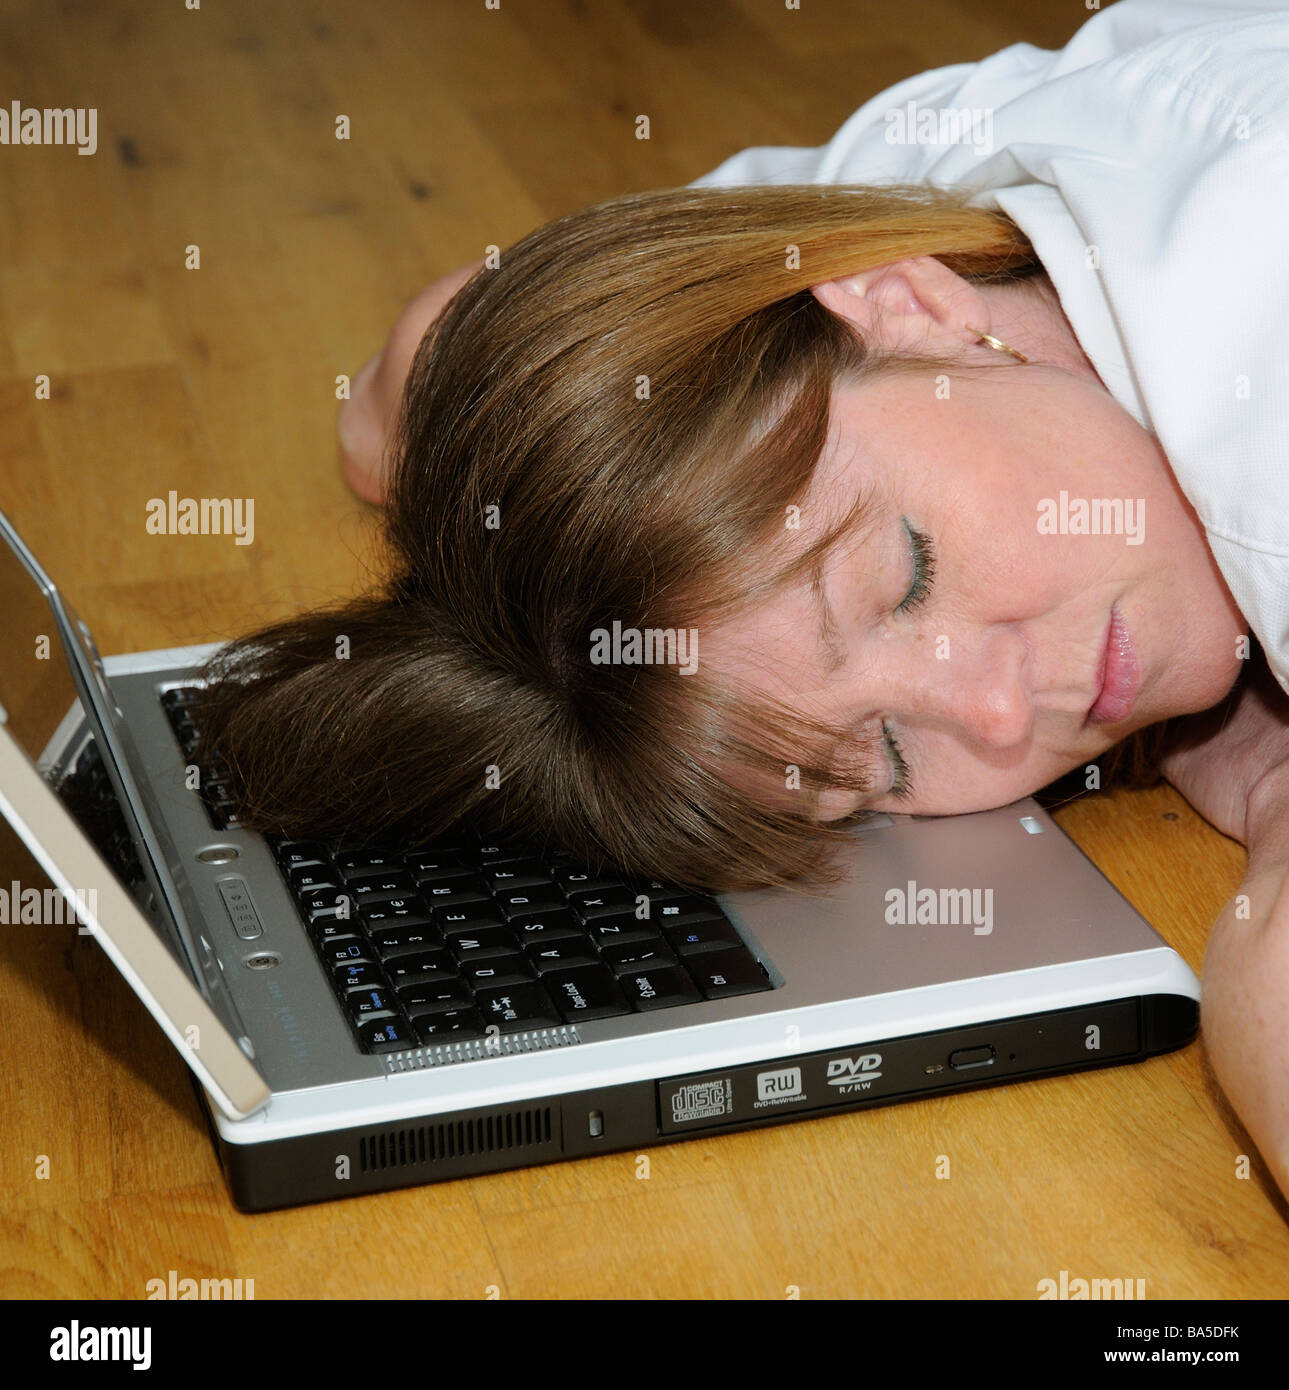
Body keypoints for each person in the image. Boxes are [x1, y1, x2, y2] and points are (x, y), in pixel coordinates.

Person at [199, 0, 1289, 1199]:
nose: (990, 717)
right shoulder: (891, 227)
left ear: (911, 302)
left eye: (907, 574)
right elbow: (412, 365)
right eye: (878, 756)